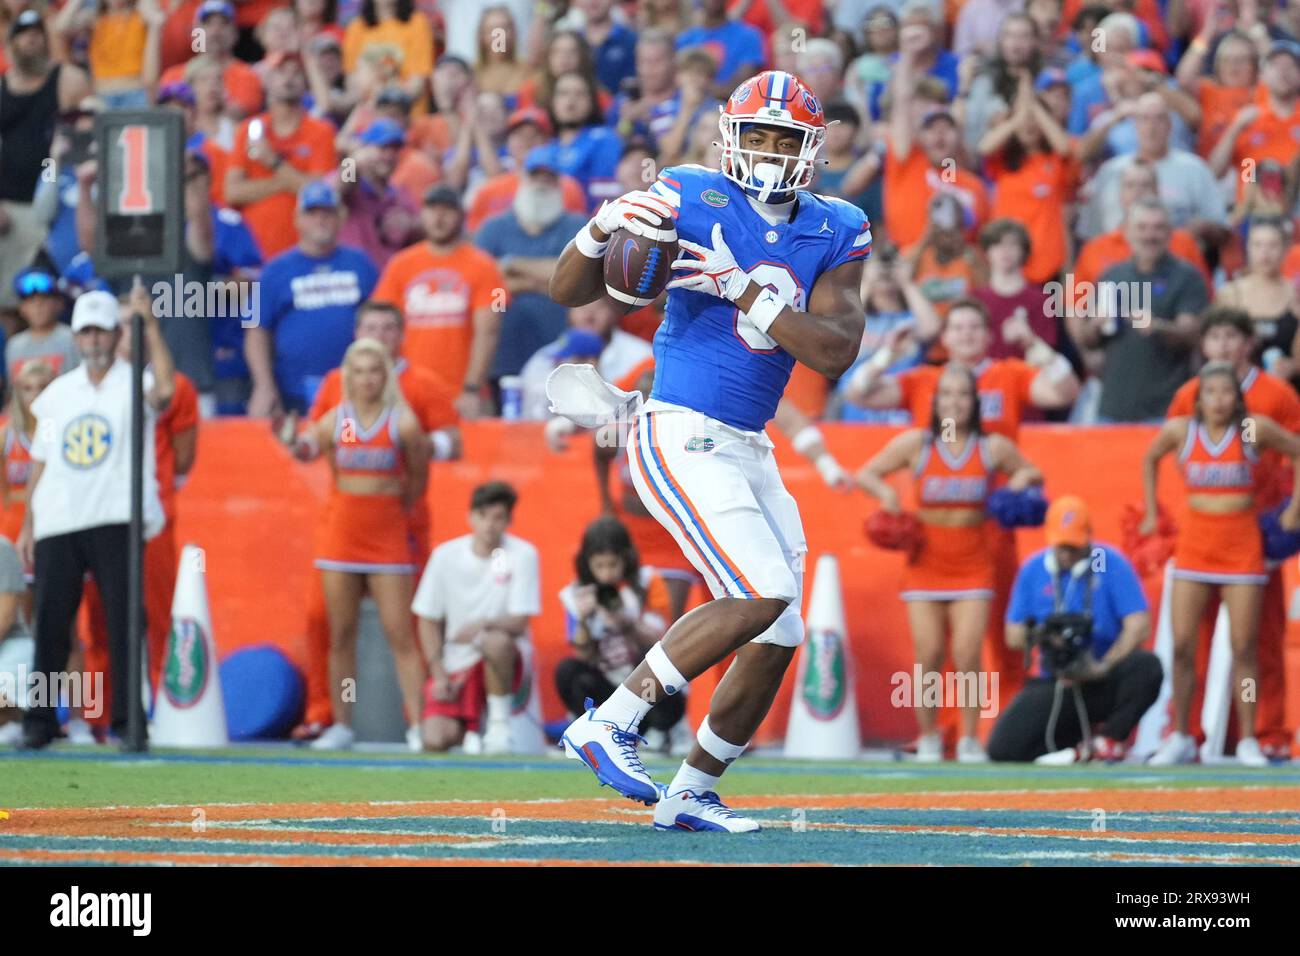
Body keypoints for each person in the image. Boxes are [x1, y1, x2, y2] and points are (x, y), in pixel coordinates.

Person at [549, 70, 870, 831]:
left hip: (749, 443)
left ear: (810, 150)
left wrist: (745, 291)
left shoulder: (838, 225)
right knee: (760, 590)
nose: (764, 150)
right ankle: (611, 720)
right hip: (678, 427)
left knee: (781, 626)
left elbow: (835, 351)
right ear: (728, 137)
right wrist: (600, 228)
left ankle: (691, 789)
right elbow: (569, 291)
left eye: (780, 138)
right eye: (753, 134)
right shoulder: (690, 192)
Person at [857, 364, 1043, 762]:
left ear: (974, 402)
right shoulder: (918, 444)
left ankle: (970, 739)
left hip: (974, 562)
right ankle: (928, 739)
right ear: (935, 401)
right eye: (947, 394)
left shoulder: (991, 447)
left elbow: (1031, 471)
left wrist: (1019, 484)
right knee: (929, 654)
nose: (954, 402)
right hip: (925, 562)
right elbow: (868, 473)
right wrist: (888, 499)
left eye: (962, 395)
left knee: (969, 652)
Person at [293, 299, 460, 741]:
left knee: (401, 633)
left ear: (386, 373)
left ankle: (418, 724)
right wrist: (294, 441)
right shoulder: (335, 416)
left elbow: (419, 473)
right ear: (348, 374)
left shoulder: (403, 420)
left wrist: (399, 506)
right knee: (339, 635)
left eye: (374, 370)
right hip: (341, 535)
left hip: (388, 535)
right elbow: (311, 446)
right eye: (359, 370)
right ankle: (341, 724)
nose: (366, 378)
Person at [18, 285, 172, 749]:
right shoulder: (55, 396)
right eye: (85, 332)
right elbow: (40, 460)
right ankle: (40, 722)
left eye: (102, 332)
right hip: (59, 519)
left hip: (115, 515)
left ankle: (129, 723)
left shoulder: (136, 382)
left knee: (126, 622)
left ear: (116, 334)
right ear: (77, 338)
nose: (94, 341)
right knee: (50, 625)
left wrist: (155, 328)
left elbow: (165, 389)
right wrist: (29, 521)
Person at [1141, 362, 1300, 767]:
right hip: (1194, 545)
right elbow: (1150, 457)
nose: (1218, 400)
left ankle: (1248, 738)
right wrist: (1149, 512)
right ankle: (1181, 736)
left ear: (1238, 397)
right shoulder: (1182, 431)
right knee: (1180, 646)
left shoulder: (1253, 430)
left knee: (1244, 647)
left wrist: (1294, 509)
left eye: (1226, 392)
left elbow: (1297, 451)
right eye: (1209, 392)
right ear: (1198, 399)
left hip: (1242, 547)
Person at [988, 496, 1160, 763]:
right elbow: (1013, 634)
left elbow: (1139, 624)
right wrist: (1045, 636)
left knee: (1147, 667)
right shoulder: (1034, 568)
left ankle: (1110, 739)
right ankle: (1073, 747)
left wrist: (1103, 665)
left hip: (1101, 675)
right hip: (1055, 681)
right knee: (1003, 748)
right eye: (1062, 547)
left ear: (1089, 537)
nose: (1068, 554)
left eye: (1074, 547)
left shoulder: (1106, 561)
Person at [411, 481, 541, 754]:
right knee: (435, 739)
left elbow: (519, 622)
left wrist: (482, 625)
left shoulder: (523, 554)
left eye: (499, 518)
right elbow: (427, 619)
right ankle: (470, 730)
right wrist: (440, 674)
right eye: (483, 515)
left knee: (494, 641)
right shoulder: (445, 556)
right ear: (471, 516)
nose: (490, 525)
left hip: (506, 659)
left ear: (509, 520)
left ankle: (498, 727)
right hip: (457, 663)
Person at [246, 181, 379, 419]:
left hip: (355, 391)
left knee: (349, 451)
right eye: (312, 213)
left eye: (327, 213)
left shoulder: (362, 264)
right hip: (293, 394)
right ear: (297, 219)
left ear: (340, 218)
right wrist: (263, 386)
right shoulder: (272, 271)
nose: (320, 220)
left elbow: (382, 323)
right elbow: (255, 330)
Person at [372, 185, 507, 418]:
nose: (439, 218)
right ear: (422, 215)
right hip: (406, 392)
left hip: (463, 393)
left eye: (447, 210)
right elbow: (380, 328)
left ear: (461, 216)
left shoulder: (485, 266)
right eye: (432, 209)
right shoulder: (400, 265)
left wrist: (472, 388)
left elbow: (489, 331)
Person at [555, 516, 687, 753]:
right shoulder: (577, 593)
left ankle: (660, 732)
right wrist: (584, 620)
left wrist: (626, 623)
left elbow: (661, 640)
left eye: (612, 565)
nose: (606, 575)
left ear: (626, 558)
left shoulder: (648, 581)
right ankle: (595, 733)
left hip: (648, 694)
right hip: (610, 690)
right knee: (568, 670)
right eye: (599, 566)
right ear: (587, 563)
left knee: (654, 661)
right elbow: (582, 654)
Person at [1073, 198, 1210, 423]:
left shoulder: (1187, 277)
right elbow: (1089, 342)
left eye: (1158, 228)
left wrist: (1157, 327)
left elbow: (1193, 335)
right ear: (1127, 232)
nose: (1150, 235)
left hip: (1165, 410)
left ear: (1169, 233)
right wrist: (1094, 326)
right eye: (1142, 227)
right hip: (1112, 408)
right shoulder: (1112, 276)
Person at [474, 147, 590, 399]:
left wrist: (512, 264)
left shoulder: (577, 225)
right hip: (503, 352)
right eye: (535, 177)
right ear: (522, 180)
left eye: (549, 178)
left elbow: (576, 277)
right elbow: (482, 281)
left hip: (562, 353)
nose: (541, 184)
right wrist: (549, 282)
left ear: (559, 183)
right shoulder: (493, 228)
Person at [0, 8, 90, 313]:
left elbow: (90, 126)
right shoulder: (1, 87)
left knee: (62, 296)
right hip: (12, 206)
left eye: (39, 36)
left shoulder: (67, 79)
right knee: (10, 301)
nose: (33, 42)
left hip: (59, 199)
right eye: (25, 37)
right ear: (11, 44)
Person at [225, 51, 339, 259]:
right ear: (266, 80)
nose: (288, 78)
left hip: (305, 252)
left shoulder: (322, 131)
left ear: (305, 83)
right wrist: (288, 181)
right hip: (252, 251)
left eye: (296, 73)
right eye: (280, 72)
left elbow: (318, 193)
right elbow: (233, 192)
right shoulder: (249, 129)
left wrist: (273, 162)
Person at [1214, 218, 1300, 380]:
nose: (1264, 253)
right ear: (1248, 248)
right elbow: (1215, 345)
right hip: (1240, 387)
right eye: (1257, 245)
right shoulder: (1230, 294)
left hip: (1287, 389)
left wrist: (1293, 366)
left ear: (1285, 249)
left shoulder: (1295, 294)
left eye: (1272, 245)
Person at [6, 267, 78, 379]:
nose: (38, 306)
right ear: (22, 308)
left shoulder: (72, 339)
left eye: (44, 299)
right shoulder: (14, 346)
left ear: (59, 304)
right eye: (31, 301)